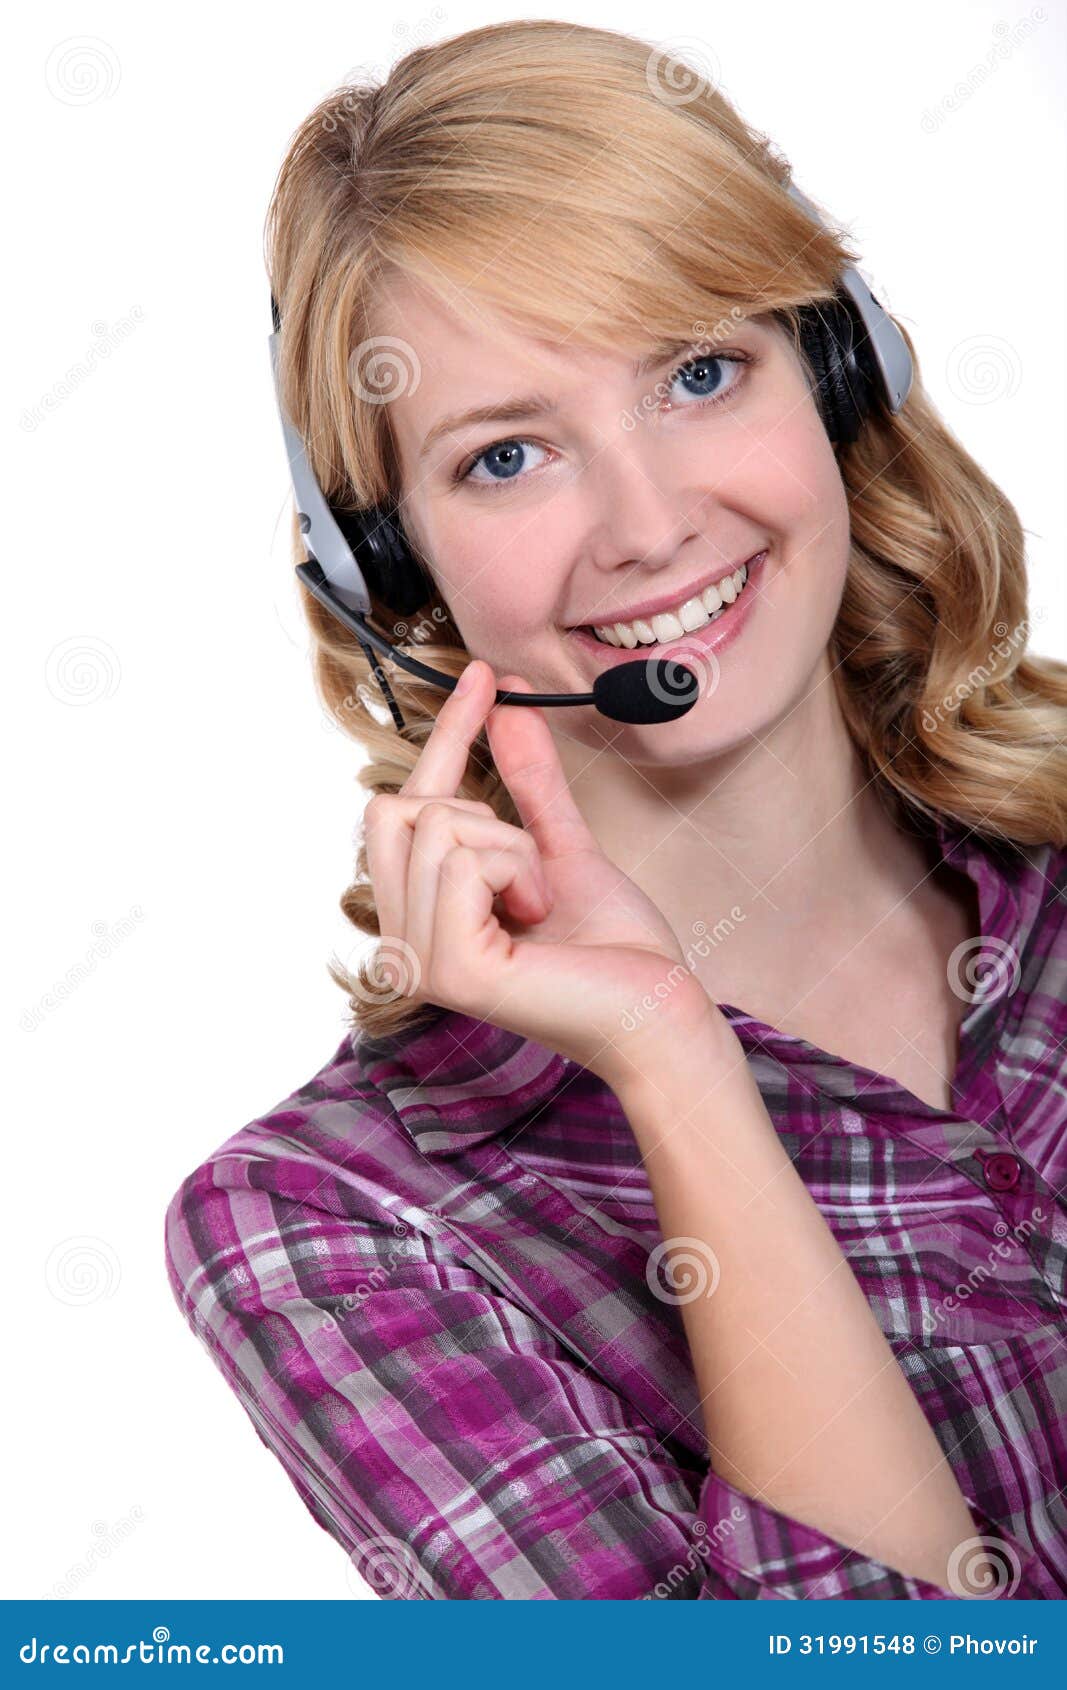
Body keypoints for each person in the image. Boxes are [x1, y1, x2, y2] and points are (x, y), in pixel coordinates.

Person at [164, 20, 1067, 1599]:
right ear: (388, 565)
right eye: (507, 455)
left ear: (844, 368)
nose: (649, 525)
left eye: (700, 371)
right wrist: (677, 1062)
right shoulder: (340, 1227)